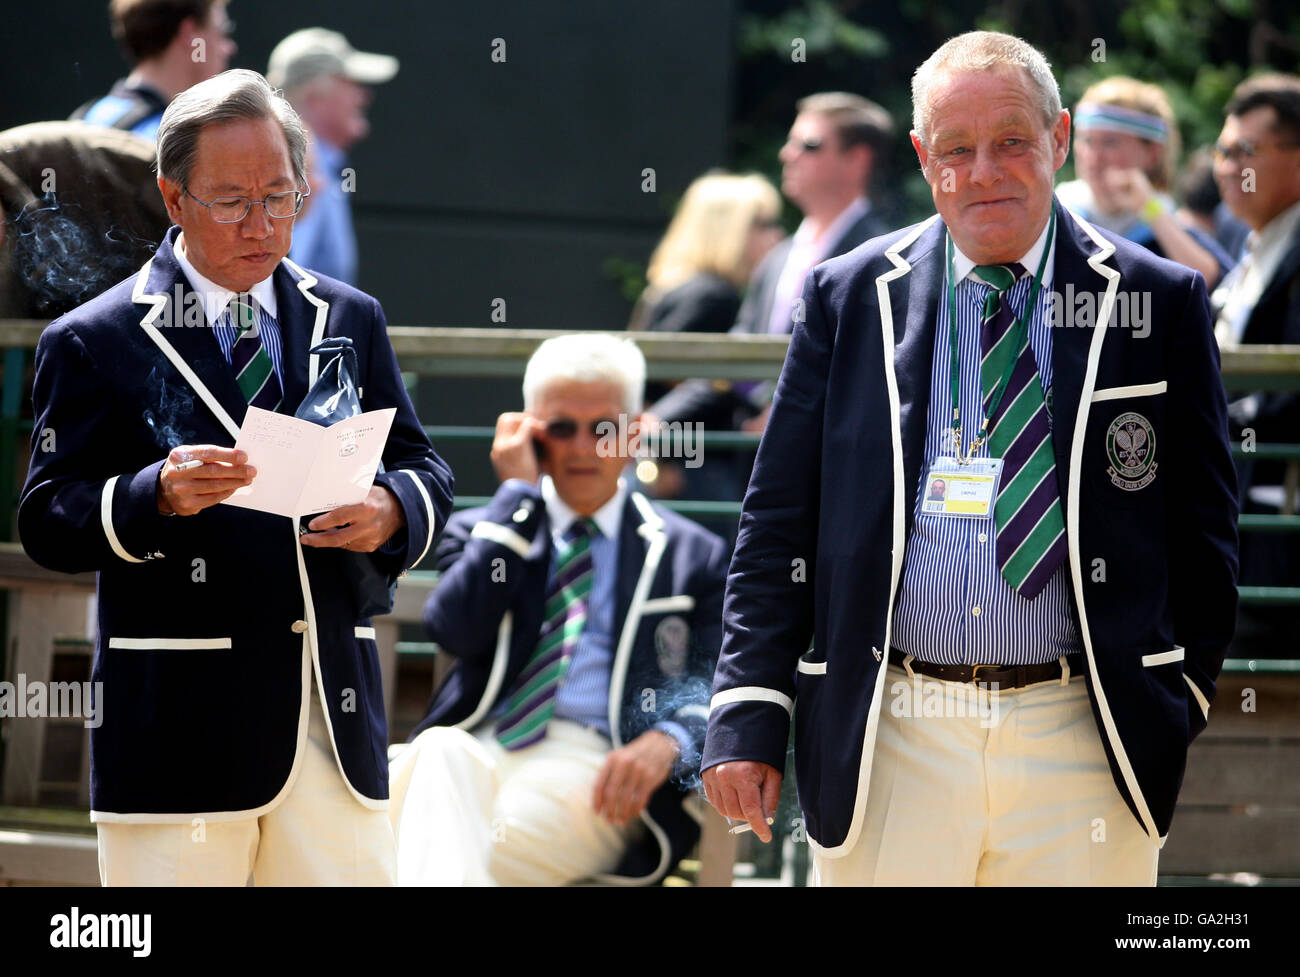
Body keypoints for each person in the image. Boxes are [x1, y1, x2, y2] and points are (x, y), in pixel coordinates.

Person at [701, 31, 1238, 885]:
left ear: (1059, 139)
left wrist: (1180, 699)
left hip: (1085, 739)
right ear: (923, 156)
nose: (983, 172)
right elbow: (777, 523)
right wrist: (746, 712)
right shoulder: (846, 296)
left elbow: (1205, 532)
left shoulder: (1155, 301)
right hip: (892, 736)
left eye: (1012, 142)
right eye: (956, 150)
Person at [19, 69, 454, 885]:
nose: (262, 224)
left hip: (334, 723)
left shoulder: (352, 315)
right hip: (175, 738)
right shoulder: (93, 338)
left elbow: (424, 464)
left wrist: (392, 507)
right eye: (232, 201)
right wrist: (153, 494)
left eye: (280, 197)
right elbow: (47, 516)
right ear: (174, 199)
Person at [388, 334, 729, 885]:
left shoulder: (692, 554)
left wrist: (672, 738)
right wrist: (519, 499)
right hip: (477, 747)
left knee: (410, 835)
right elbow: (456, 630)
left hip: (596, 768)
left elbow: (717, 679)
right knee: (438, 751)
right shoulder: (488, 532)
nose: (581, 448)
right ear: (526, 430)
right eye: (561, 427)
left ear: (635, 431)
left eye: (603, 428)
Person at [650, 92, 894, 435]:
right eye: (790, 142)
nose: (787, 154)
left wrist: (792, 417)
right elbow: (740, 362)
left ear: (856, 159)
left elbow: (875, 372)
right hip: (758, 463)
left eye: (808, 145)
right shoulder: (778, 256)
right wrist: (658, 419)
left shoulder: (887, 257)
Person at [1210, 73, 1300, 658]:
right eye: (1222, 150)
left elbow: (1287, 394)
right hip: (1241, 508)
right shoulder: (1254, 247)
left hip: (1276, 526)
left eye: (1246, 152)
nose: (1226, 167)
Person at [627, 171, 783, 502]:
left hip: (671, 459)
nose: (777, 235)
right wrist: (662, 457)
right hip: (693, 468)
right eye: (764, 222)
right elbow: (684, 382)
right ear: (731, 229)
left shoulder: (673, 287)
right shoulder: (713, 296)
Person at [1056, 76, 1233, 288]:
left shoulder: (1161, 224)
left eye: (1110, 142)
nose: (1093, 157)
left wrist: (1150, 210)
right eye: (1086, 140)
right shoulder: (1058, 213)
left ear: (1152, 152)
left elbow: (1214, 284)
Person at [268, 28, 398, 285]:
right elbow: (285, 275)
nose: (364, 96)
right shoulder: (298, 166)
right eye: (353, 83)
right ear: (316, 95)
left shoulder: (321, 164)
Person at [71, 0, 236, 141]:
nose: (230, 48)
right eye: (223, 33)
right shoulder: (170, 143)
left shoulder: (84, 118)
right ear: (190, 34)